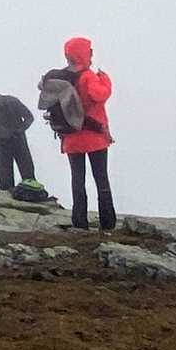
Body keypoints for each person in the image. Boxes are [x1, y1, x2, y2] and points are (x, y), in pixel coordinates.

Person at [41, 37, 115, 231]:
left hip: (71, 137)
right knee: (101, 179)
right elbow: (99, 95)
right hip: (94, 138)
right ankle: (107, 222)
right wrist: (105, 80)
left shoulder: (59, 78)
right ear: (83, 53)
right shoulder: (88, 77)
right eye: (89, 51)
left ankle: (79, 220)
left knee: (77, 179)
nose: (91, 54)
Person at [0, 92, 54, 202]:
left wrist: (19, 130)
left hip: (18, 140)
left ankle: (32, 193)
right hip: (1, 142)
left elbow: (29, 117)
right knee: (4, 171)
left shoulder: (12, 102)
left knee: (26, 168)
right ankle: (6, 196)